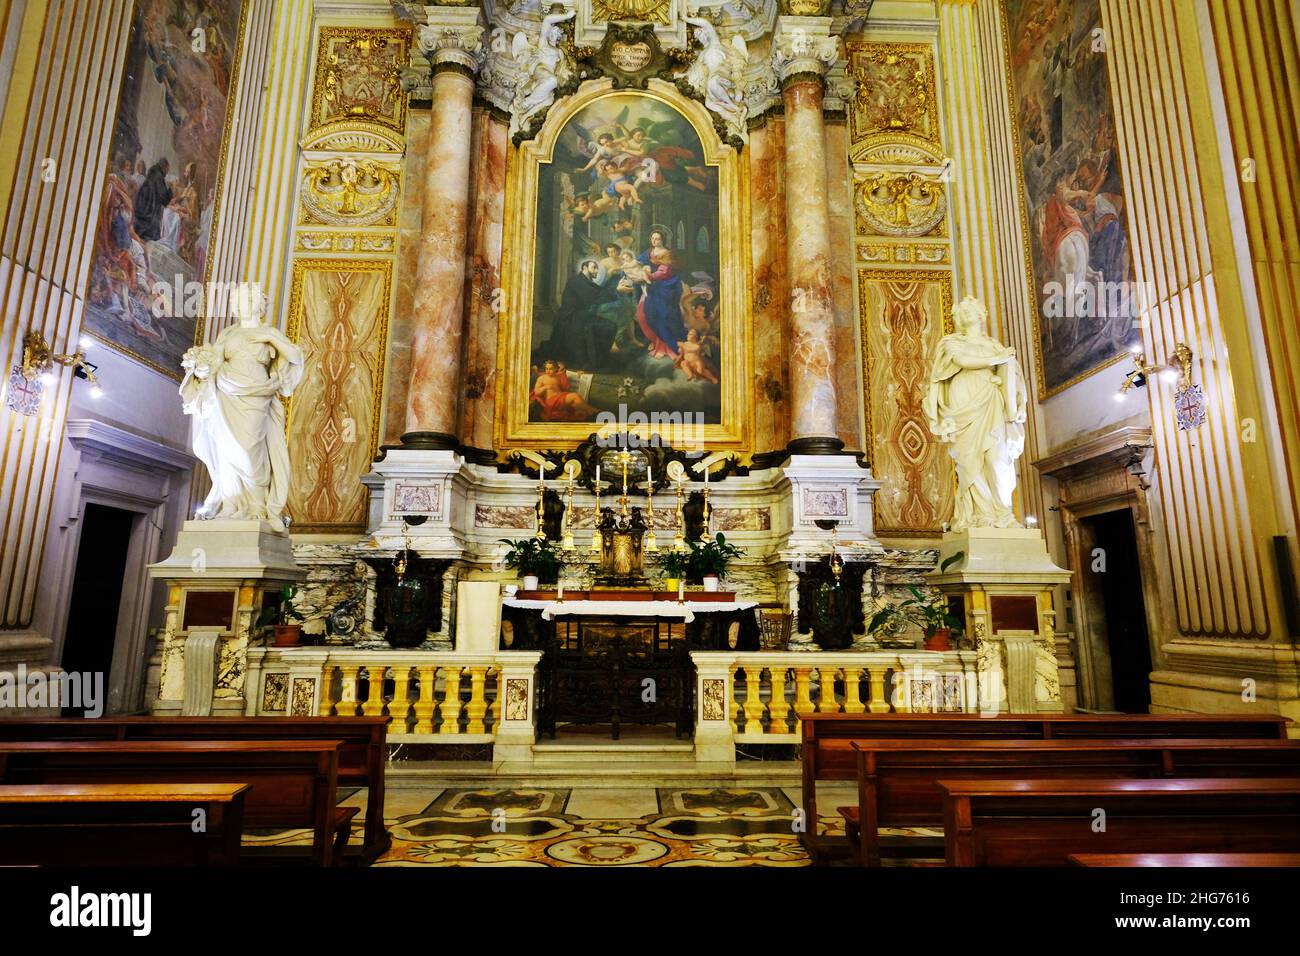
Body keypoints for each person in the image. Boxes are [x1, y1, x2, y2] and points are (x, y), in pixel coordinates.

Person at [181, 282, 305, 524]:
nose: (241, 305)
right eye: (237, 301)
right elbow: (214, 363)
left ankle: (257, 504)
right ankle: (231, 504)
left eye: (247, 300)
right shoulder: (227, 334)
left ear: (259, 305)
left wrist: (271, 338)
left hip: (256, 396)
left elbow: (295, 357)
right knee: (226, 450)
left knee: (250, 449)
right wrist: (202, 368)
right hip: (226, 393)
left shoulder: (269, 333)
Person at [922, 296, 1028, 531]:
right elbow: (963, 361)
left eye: (971, 309)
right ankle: (983, 515)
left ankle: (1003, 512)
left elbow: (1012, 376)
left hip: (990, 397)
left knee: (996, 457)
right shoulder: (951, 342)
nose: (967, 312)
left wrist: (1016, 401)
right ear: (957, 319)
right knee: (970, 459)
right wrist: (998, 358)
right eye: (962, 311)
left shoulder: (995, 345)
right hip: (964, 399)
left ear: (982, 314)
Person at [530, 360, 598, 421]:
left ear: (555, 369)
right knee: (575, 396)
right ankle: (592, 411)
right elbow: (537, 392)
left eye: (551, 369)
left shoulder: (558, 378)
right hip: (552, 401)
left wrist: (580, 373)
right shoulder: (542, 378)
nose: (548, 371)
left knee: (577, 405)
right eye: (547, 369)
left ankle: (592, 413)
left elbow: (565, 389)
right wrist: (545, 387)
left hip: (560, 398)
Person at [133, 158, 173, 242]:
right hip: (149, 212)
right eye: (167, 169)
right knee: (150, 236)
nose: (167, 172)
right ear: (164, 168)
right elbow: (164, 200)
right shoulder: (158, 177)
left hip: (142, 208)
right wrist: (170, 189)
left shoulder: (152, 174)